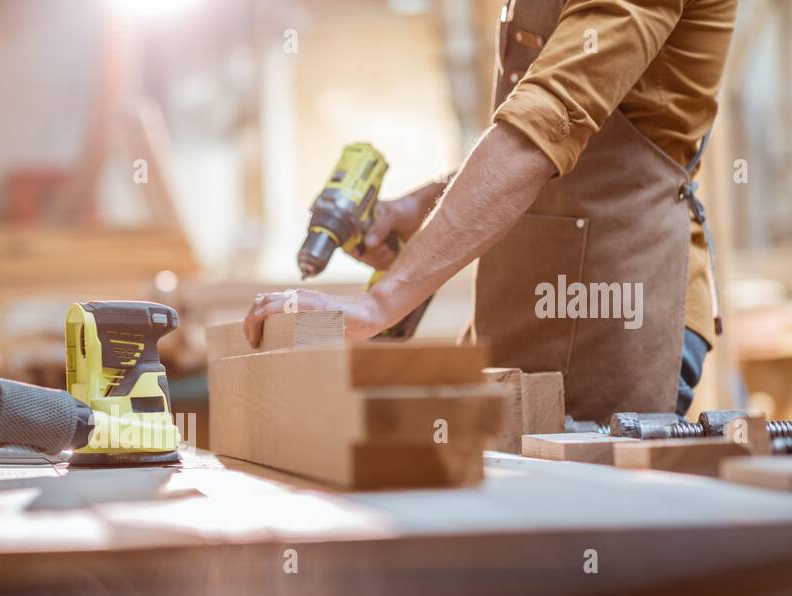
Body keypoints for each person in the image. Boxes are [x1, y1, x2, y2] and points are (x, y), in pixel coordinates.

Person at [244, 0, 737, 421]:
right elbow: (542, 139)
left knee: (592, 518)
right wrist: (426, 205)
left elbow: (547, 121)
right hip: (519, 300)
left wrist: (379, 304)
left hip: (622, 305)